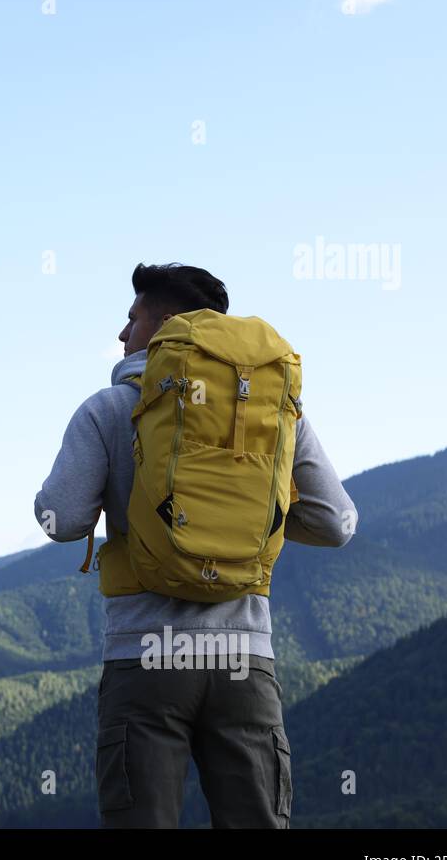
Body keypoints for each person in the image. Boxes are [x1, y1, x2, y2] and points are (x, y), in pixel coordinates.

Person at [33, 262, 357, 828]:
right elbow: (337, 523)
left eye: (131, 318)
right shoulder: (273, 410)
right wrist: (261, 518)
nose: (120, 334)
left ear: (159, 328)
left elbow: (61, 520)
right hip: (244, 658)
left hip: (146, 655)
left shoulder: (109, 409)